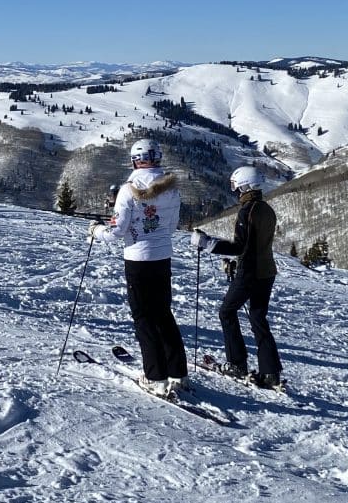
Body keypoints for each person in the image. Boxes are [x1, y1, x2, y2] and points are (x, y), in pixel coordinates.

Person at [88, 138, 188, 396]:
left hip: (138, 259)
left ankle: (155, 377)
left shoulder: (128, 190)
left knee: (144, 318)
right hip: (162, 256)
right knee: (164, 314)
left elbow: (117, 231)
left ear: (135, 159)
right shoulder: (172, 189)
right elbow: (173, 224)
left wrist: (97, 231)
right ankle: (178, 372)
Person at [191, 165, 283, 389]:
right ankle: (270, 373)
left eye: (237, 188)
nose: (236, 192)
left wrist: (208, 243)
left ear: (244, 186)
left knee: (227, 312)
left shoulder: (247, 211)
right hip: (266, 271)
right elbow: (254, 245)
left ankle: (236, 364)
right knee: (258, 318)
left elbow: (240, 246)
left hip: (250, 272)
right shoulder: (266, 208)